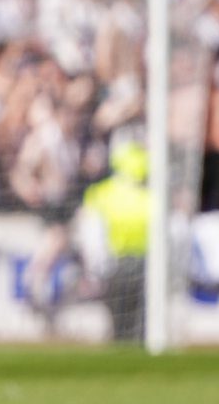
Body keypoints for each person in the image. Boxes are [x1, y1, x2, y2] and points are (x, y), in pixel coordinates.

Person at [75, 141, 150, 343]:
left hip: (116, 268)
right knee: (141, 325)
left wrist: (96, 270)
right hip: (145, 268)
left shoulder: (101, 193)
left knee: (120, 325)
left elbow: (91, 237)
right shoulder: (153, 196)